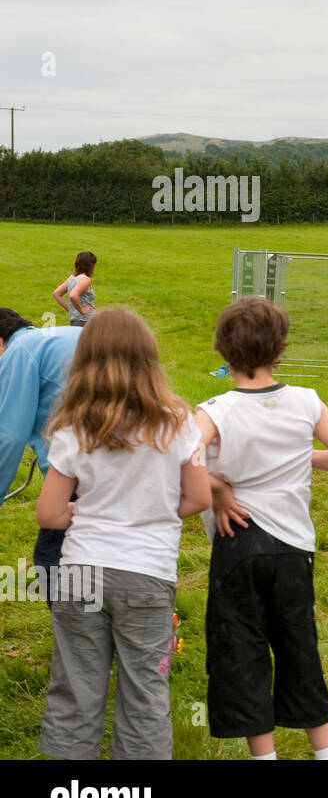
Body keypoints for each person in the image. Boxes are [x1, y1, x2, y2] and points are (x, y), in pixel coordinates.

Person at [195, 296, 328, 760]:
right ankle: (327, 753)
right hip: (294, 549)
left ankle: (264, 756)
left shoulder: (213, 410)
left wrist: (214, 488)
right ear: (280, 349)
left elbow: (176, 460)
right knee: (298, 646)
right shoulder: (305, 401)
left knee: (242, 651)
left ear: (222, 350)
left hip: (237, 546)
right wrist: (302, 456)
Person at [34, 309, 209, 759]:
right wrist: (152, 509)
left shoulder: (74, 426)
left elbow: (50, 514)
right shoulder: (178, 421)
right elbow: (199, 499)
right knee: (145, 692)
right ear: (148, 357)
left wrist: (85, 509)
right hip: (147, 574)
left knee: (74, 689)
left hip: (80, 573)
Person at [0, 308, 82, 579]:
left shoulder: (18, 351)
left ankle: (74, 621)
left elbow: (8, 437)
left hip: (77, 470)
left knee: (51, 560)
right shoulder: (65, 335)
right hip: (133, 461)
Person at [52, 252, 97, 327]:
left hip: (74, 320)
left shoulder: (72, 278)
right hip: (87, 320)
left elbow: (56, 294)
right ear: (90, 265)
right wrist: (81, 309)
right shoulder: (85, 279)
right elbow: (73, 295)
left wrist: (70, 310)